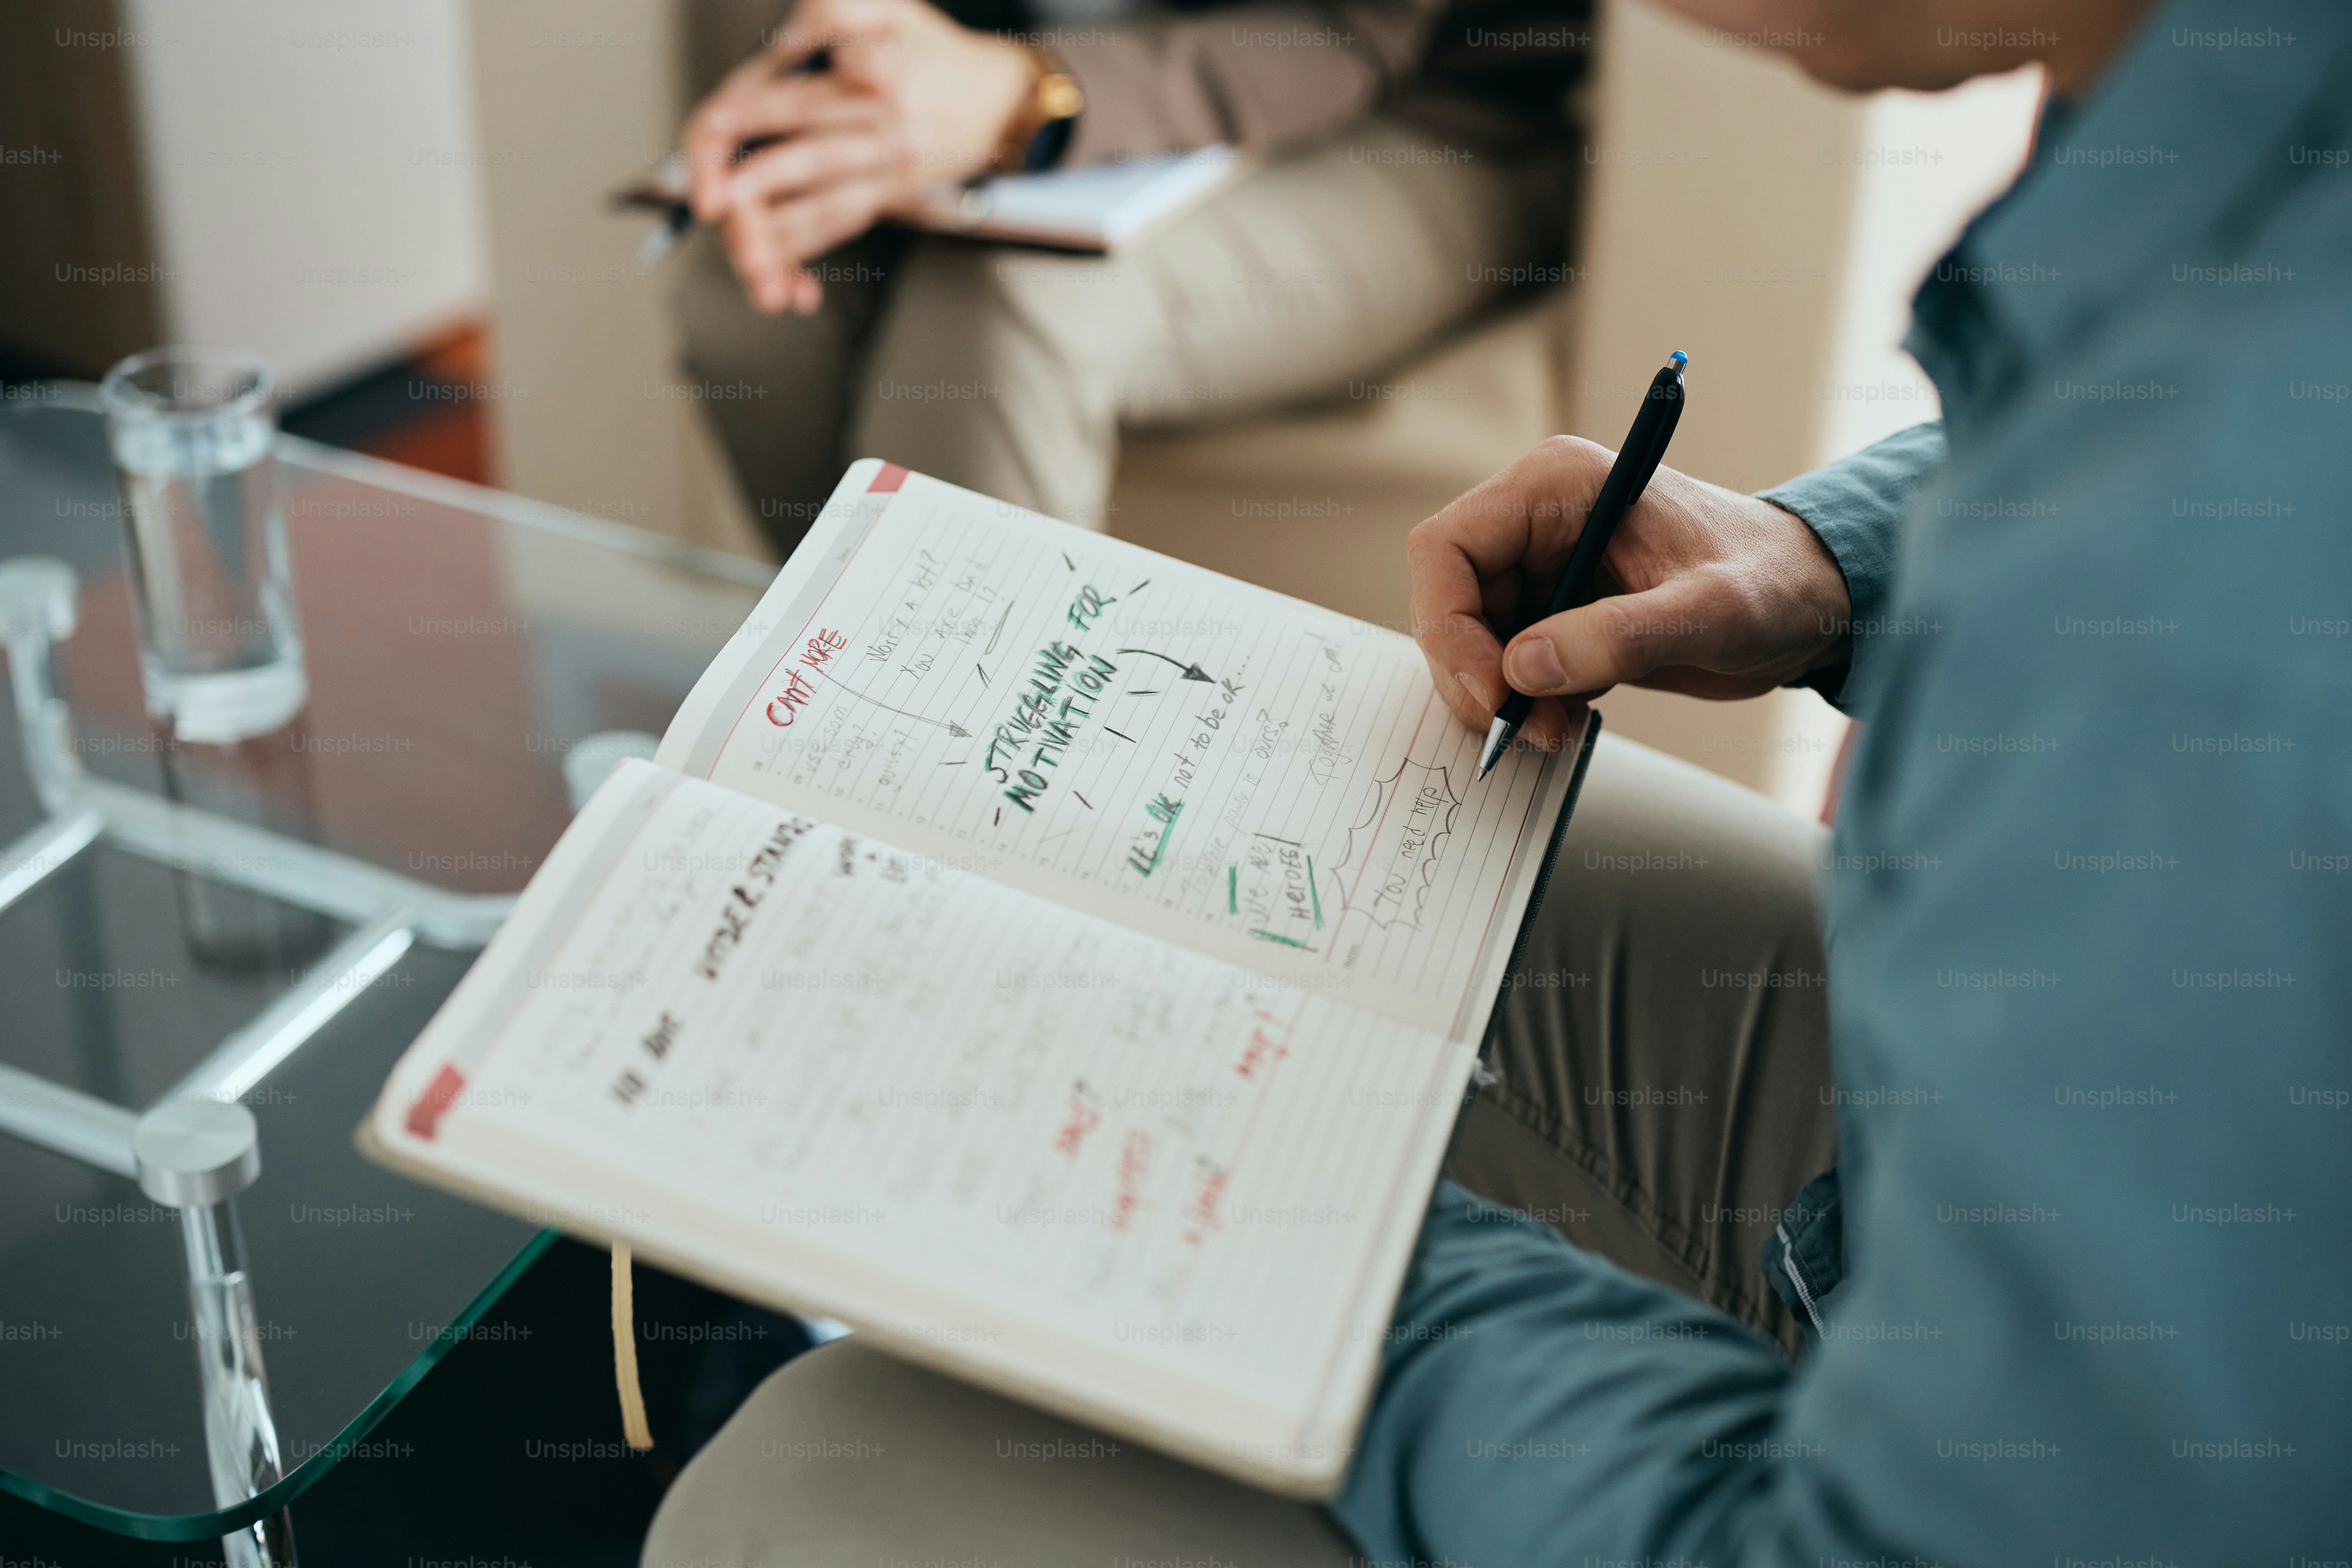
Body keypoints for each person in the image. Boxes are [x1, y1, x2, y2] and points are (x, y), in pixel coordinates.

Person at [642, 0, 2352, 1559]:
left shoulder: (2182, 618)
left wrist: (1243, 1232)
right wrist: (1836, 557)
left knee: (815, 1476)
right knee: (1333, 830)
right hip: (1995, 1216)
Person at [668, 0, 1588, 550]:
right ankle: (827, 721)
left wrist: (1032, 93)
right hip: (1004, 62)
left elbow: (1353, 28)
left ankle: (968, 822)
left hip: (1421, 102)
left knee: (1005, 312)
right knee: (747, 296)